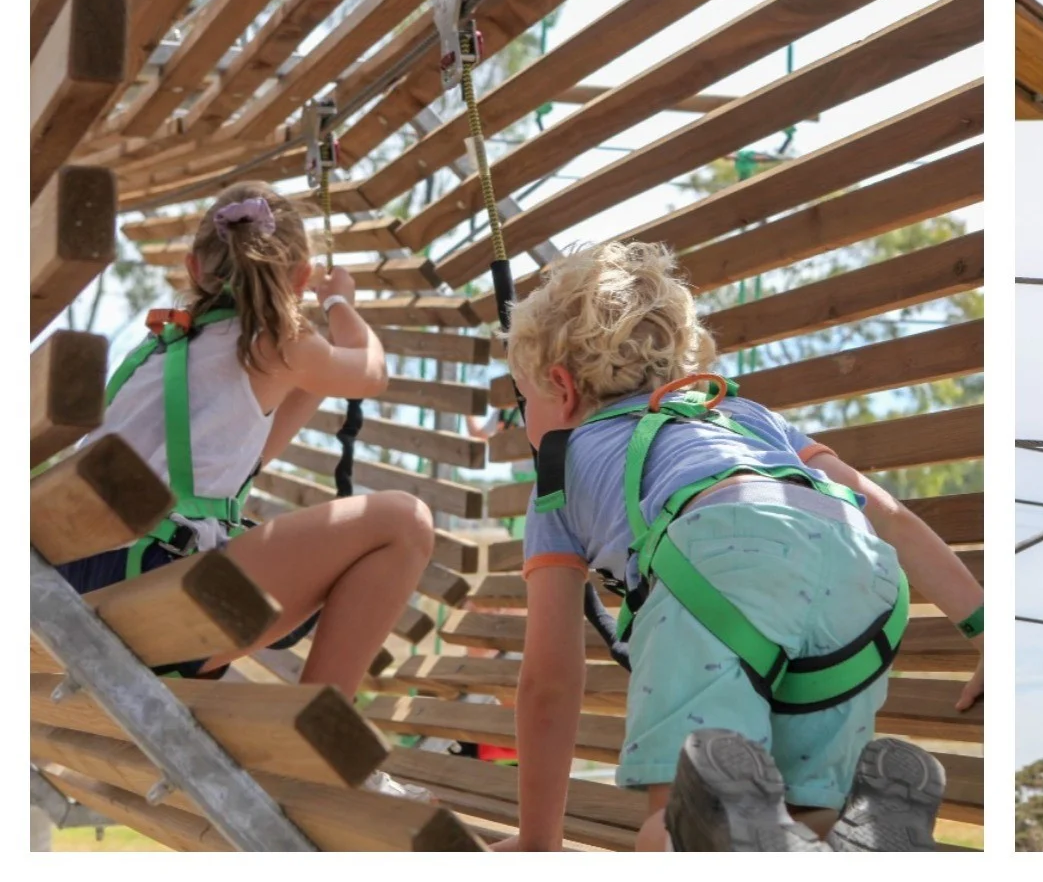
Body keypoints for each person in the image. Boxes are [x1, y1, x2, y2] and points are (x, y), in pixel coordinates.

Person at [499, 242, 983, 852]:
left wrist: (536, 842)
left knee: (680, 818)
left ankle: (721, 831)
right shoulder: (743, 415)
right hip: (862, 579)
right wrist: (984, 628)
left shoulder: (557, 475)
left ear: (561, 389)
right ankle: (851, 841)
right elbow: (887, 513)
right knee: (807, 812)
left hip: (719, 560)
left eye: (524, 399)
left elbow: (550, 680)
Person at [53, 185, 435, 705]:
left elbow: (240, 462)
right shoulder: (275, 341)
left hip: (75, 582)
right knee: (404, 523)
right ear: (300, 277)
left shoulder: (161, 346)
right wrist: (339, 300)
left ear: (193, 268)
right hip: (156, 589)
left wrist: (311, 368)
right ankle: (321, 725)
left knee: (309, 397)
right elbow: (371, 372)